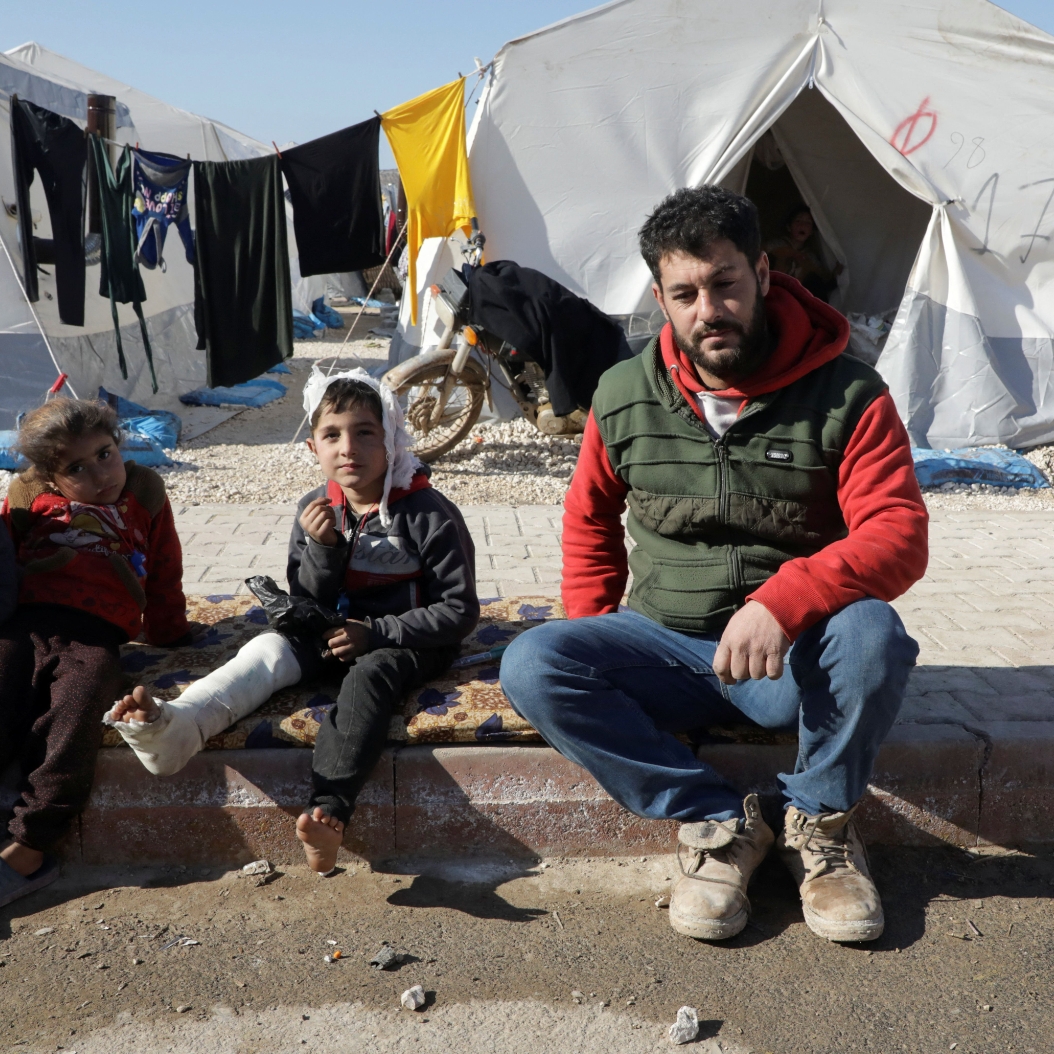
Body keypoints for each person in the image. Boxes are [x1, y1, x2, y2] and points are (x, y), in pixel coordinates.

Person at [500, 185, 928, 944]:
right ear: (660, 298)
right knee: (534, 663)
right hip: (664, 646)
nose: (709, 310)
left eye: (725, 284)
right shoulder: (621, 394)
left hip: (788, 663)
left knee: (873, 635)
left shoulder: (850, 394)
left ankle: (819, 826)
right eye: (685, 293)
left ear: (762, 273)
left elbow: (898, 532)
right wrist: (597, 643)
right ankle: (718, 823)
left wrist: (784, 601)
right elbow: (589, 520)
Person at [108, 368, 479, 875]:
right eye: (332, 435)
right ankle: (179, 727)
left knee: (371, 676)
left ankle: (330, 808)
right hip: (334, 632)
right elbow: (306, 600)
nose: (348, 448)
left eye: (365, 433)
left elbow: (458, 610)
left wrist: (378, 633)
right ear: (312, 447)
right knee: (269, 649)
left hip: (408, 640)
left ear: (391, 439)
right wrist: (324, 549)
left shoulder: (428, 514)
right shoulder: (314, 509)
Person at [0, 398, 192, 907]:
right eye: (77, 468)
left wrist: (169, 632)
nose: (100, 474)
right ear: (51, 477)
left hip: (94, 635)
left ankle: (30, 846)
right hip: (23, 624)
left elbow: (165, 569)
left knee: (78, 714)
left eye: (105, 454)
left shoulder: (144, 494)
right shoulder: (27, 499)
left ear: (119, 445)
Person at [765, 204, 841, 302]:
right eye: (798, 221)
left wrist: (836, 274)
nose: (803, 225)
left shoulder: (810, 258)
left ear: (811, 231)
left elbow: (824, 280)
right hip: (770, 294)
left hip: (792, 300)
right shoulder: (775, 246)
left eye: (808, 222)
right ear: (789, 227)